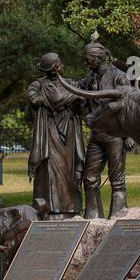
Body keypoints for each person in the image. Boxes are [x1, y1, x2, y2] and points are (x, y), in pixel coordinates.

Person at [74, 42, 130, 218]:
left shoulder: (119, 77)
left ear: (98, 58)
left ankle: (118, 217)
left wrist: (128, 134)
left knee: (117, 181)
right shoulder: (90, 78)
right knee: (89, 179)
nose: (86, 63)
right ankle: (92, 219)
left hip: (115, 135)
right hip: (97, 136)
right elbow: (75, 90)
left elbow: (127, 104)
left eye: (88, 59)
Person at [27, 52, 85, 215]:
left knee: (69, 169)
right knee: (50, 170)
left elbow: (81, 105)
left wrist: (78, 100)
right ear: (52, 69)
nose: (62, 66)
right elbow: (36, 100)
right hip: (49, 131)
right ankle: (49, 209)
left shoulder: (71, 83)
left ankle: (71, 209)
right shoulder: (37, 85)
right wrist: (70, 97)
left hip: (70, 130)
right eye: (59, 64)